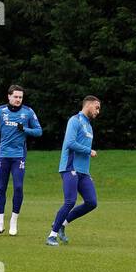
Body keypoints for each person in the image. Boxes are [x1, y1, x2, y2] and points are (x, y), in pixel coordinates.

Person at [0, 84, 42, 235]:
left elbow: (38, 131)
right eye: (15, 97)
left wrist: (25, 129)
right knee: (1, 188)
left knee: (18, 187)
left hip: (19, 156)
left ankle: (14, 222)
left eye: (20, 97)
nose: (18, 100)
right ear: (9, 96)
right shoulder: (0, 111)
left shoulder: (28, 112)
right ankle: (0, 222)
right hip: (3, 155)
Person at [47, 96, 101, 246]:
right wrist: (89, 150)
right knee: (70, 201)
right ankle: (51, 236)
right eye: (96, 107)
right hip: (70, 167)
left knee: (92, 202)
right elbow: (70, 143)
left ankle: (63, 223)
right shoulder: (75, 120)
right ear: (88, 105)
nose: (98, 111)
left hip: (83, 172)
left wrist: (87, 172)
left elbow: (82, 153)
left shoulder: (89, 126)